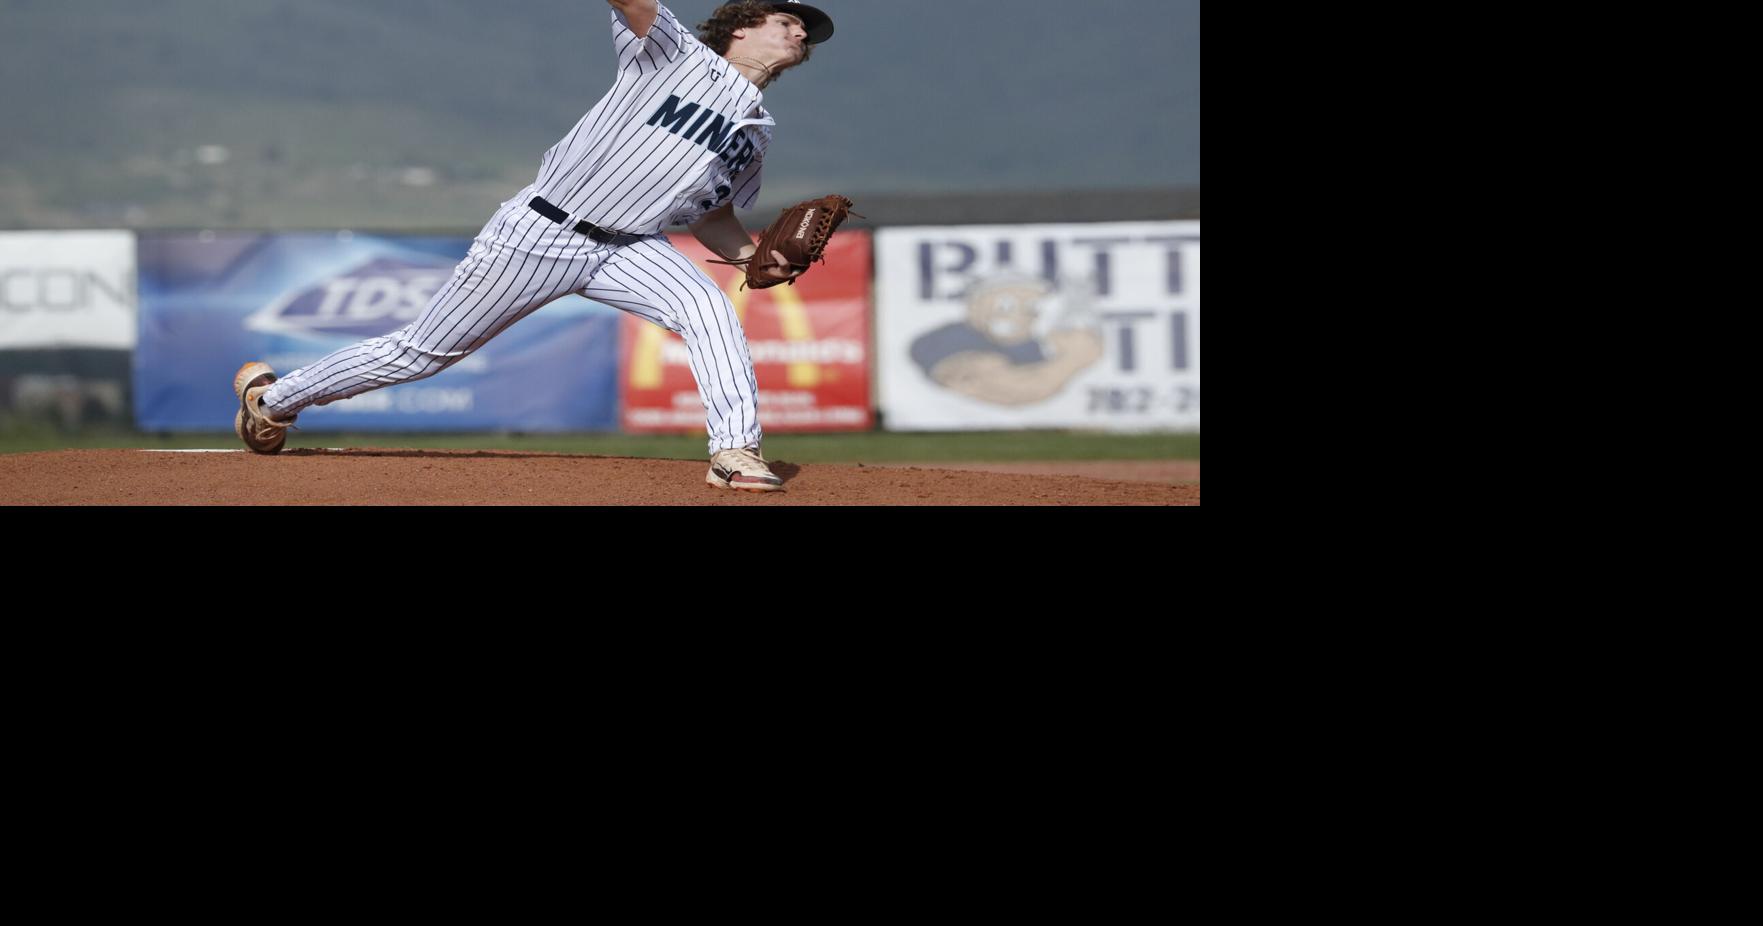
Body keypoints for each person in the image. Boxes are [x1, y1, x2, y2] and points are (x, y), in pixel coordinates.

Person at [233, 0, 836, 492]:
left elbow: (712, 215)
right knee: (420, 354)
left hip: (631, 247)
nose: (801, 30)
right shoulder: (674, 55)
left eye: (806, 32)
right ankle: (275, 400)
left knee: (710, 311)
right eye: (787, 20)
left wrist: (754, 258)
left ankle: (734, 452)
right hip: (541, 231)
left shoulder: (757, 130)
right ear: (741, 25)